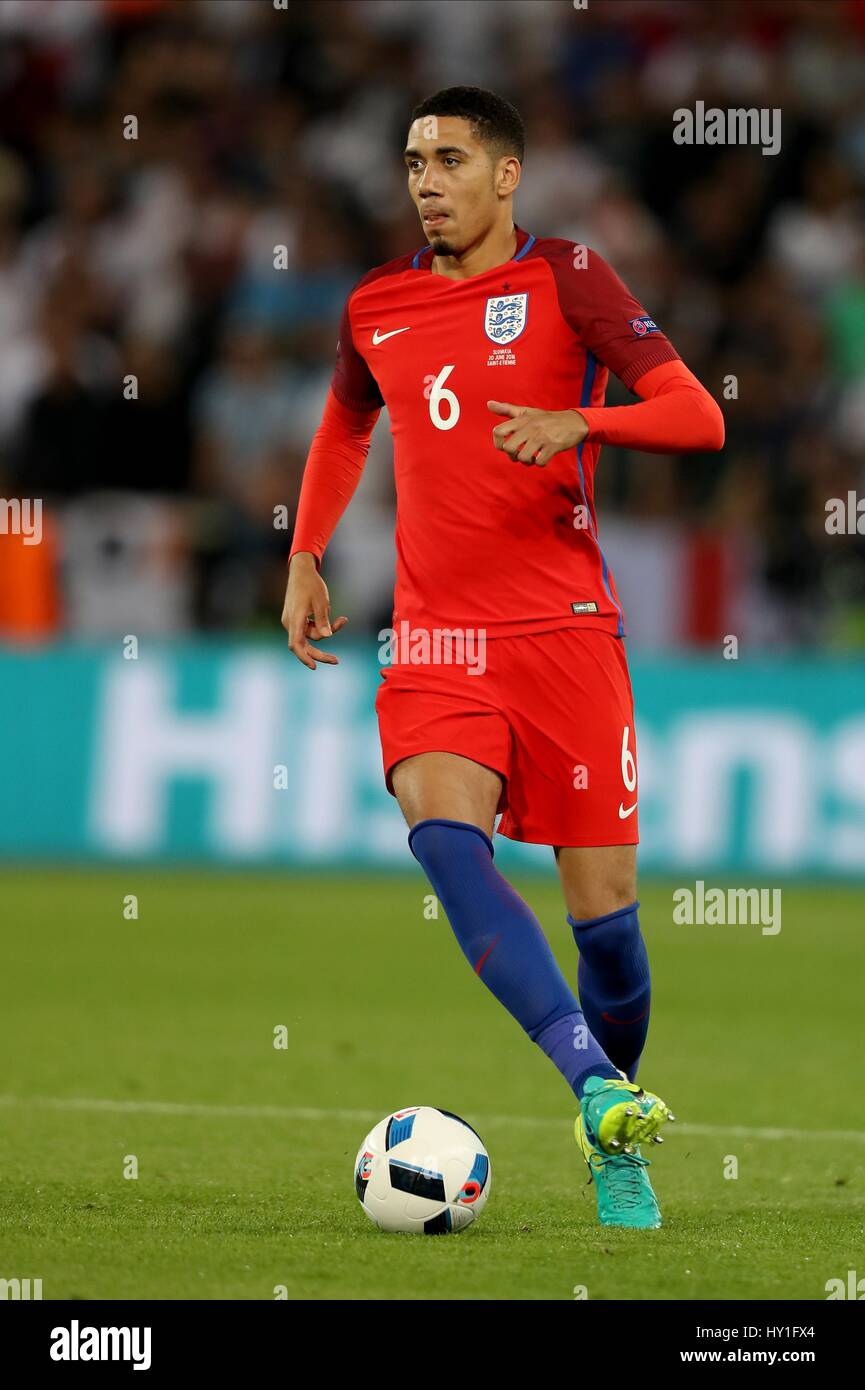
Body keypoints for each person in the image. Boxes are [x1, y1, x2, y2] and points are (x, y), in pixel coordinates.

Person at [283, 87, 724, 1229]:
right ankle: (595, 1093)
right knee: (441, 834)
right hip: (436, 637)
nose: (425, 180)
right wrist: (306, 550)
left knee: (609, 930)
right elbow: (344, 422)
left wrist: (588, 422)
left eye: (450, 159)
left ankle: (609, 1119)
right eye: (414, 159)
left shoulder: (568, 275)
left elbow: (695, 416)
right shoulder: (373, 303)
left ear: (507, 175)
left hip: (566, 633)